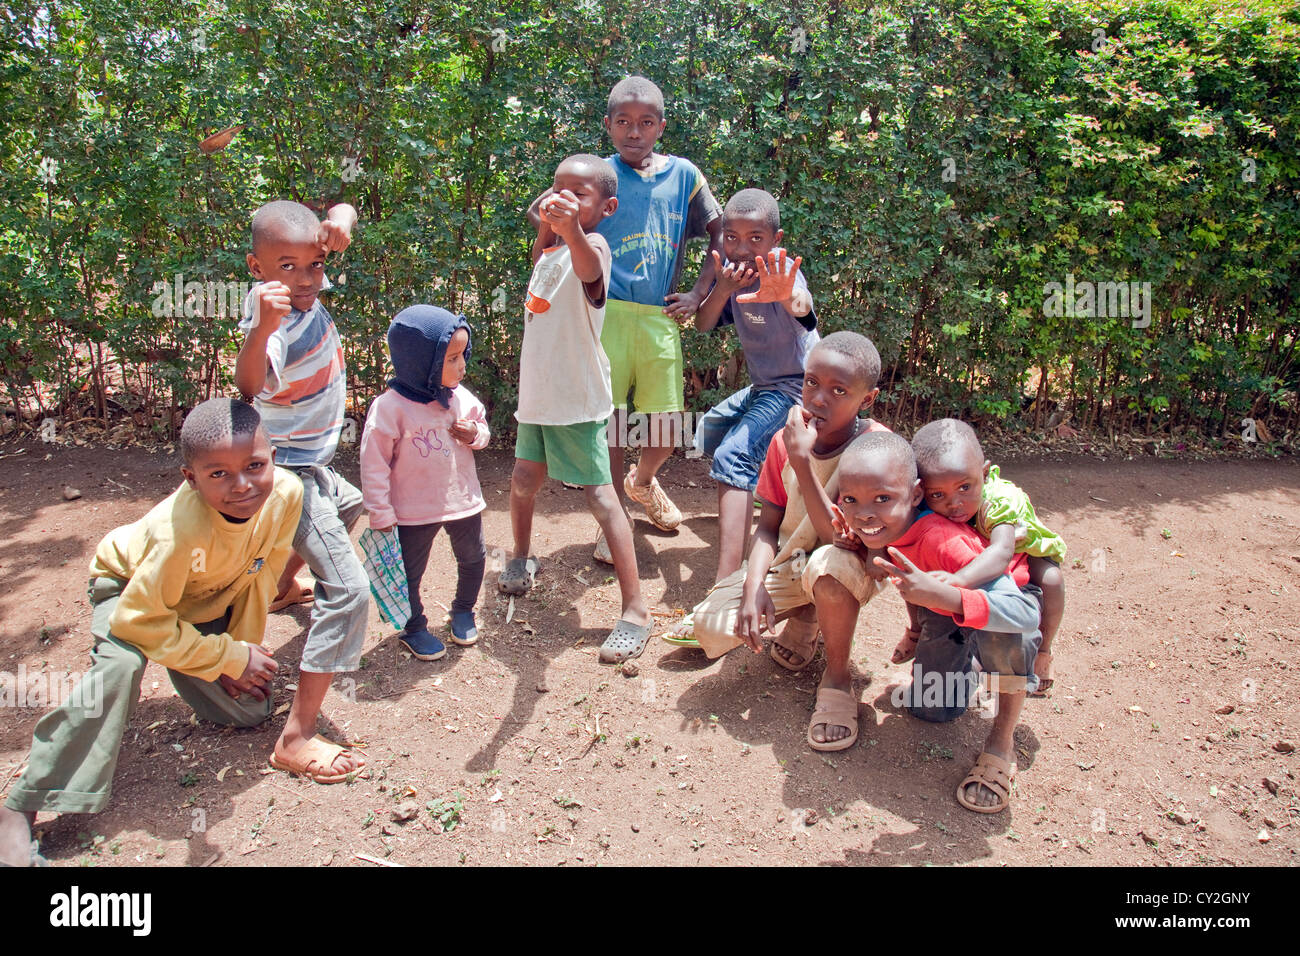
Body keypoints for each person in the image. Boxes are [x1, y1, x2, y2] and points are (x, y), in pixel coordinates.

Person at [0, 399, 303, 866]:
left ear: (273, 459)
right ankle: (22, 804)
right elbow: (137, 620)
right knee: (121, 664)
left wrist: (239, 651)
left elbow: (261, 573)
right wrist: (222, 657)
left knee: (250, 709)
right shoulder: (177, 532)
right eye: (218, 474)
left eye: (255, 466)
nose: (243, 485)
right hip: (129, 590)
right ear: (191, 478)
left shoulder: (286, 494)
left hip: (198, 601)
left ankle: (185, 651)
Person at [528, 75, 724, 562]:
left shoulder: (686, 176)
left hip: (659, 316)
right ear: (609, 125)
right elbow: (542, 212)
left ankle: (643, 481)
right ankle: (611, 522)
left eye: (645, 123)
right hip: (604, 314)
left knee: (665, 425)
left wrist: (699, 293)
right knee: (610, 423)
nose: (634, 132)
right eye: (623, 122)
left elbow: (721, 235)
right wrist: (556, 216)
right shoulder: (596, 175)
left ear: (661, 126)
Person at [811, 430, 1042, 813]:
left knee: (1004, 639)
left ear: (914, 495)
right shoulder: (880, 525)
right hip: (948, 607)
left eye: (882, 499)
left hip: (1006, 606)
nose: (865, 512)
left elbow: (1024, 615)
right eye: (851, 500)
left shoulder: (941, 540)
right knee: (933, 710)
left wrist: (949, 596)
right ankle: (965, 661)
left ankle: (1002, 741)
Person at [682, 333, 889, 720]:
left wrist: (802, 461)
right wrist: (752, 585)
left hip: (848, 564)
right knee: (709, 624)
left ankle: (838, 680)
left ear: (867, 400)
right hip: (793, 562)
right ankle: (809, 616)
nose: (818, 398)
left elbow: (837, 539)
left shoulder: (874, 450)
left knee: (828, 568)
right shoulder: (783, 440)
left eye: (838, 390)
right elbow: (767, 527)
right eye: (811, 382)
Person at [234, 199, 368, 782]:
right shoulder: (277, 318)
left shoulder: (305, 282)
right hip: (289, 471)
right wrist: (264, 327)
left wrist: (339, 219)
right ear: (256, 268)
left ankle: (285, 586)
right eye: (286, 267)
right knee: (350, 591)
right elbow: (249, 384)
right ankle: (296, 735)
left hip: (314, 461)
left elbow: (344, 208)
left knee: (352, 502)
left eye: (314, 264)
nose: (306, 278)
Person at [501, 153, 653, 664]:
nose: (563, 198)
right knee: (523, 478)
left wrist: (567, 229)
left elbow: (588, 270)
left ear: (606, 207)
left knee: (601, 499)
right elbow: (542, 247)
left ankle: (636, 610)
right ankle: (521, 556)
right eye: (556, 188)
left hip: (578, 399)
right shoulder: (548, 250)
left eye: (578, 193)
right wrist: (550, 221)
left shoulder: (596, 248)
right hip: (538, 396)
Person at [688, 187, 818, 585]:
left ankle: (726, 585)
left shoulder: (782, 272)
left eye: (755, 239)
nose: (741, 248)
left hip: (797, 389)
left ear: (775, 240)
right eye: (732, 238)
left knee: (732, 455)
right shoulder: (734, 278)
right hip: (765, 387)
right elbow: (703, 324)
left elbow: (804, 310)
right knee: (707, 434)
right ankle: (775, 490)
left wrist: (788, 297)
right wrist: (721, 290)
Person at [360, 305, 490, 660]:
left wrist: (474, 433)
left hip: (462, 500)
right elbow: (374, 464)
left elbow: (484, 433)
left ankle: (464, 609)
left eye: (464, 355)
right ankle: (413, 626)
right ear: (422, 362)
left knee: (474, 557)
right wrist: (380, 511)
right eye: (451, 358)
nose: (462, 366)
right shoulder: (390, 409)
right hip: (412, 510)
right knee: (409, 572)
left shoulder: (459, 397)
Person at [900, 418, 1066, 694]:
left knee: (1051, 580)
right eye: (938, 494)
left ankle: (1044, 652)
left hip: (1028, 548)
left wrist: (959, 578)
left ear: (985, 474)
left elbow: (1001, 552)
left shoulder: (999, 501)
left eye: (965, 488)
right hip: (981, 550)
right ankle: (937, 643)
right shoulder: (928, 511)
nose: (954, 503)